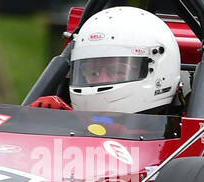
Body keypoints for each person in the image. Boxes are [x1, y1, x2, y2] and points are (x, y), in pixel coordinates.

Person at [30, 6, 182, 114]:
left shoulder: (185, 140)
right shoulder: (62, 122)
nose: (101, 80)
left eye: (117, 70)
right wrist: (42, 123)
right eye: (93, 72)